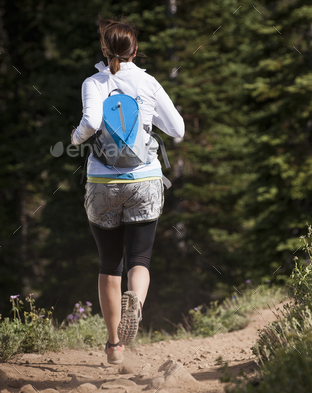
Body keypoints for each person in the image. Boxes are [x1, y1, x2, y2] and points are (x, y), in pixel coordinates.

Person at [70, 17, 185, 364]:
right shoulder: (148, 82)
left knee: (109, 264)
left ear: (104, 50)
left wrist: (75, 138)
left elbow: (90, 123)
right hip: (145, 181)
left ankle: (114, 345)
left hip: (103, 183)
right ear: (135, 49)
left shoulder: (94, 82)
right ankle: (134, 297)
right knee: (140, 259)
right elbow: (177, 128)